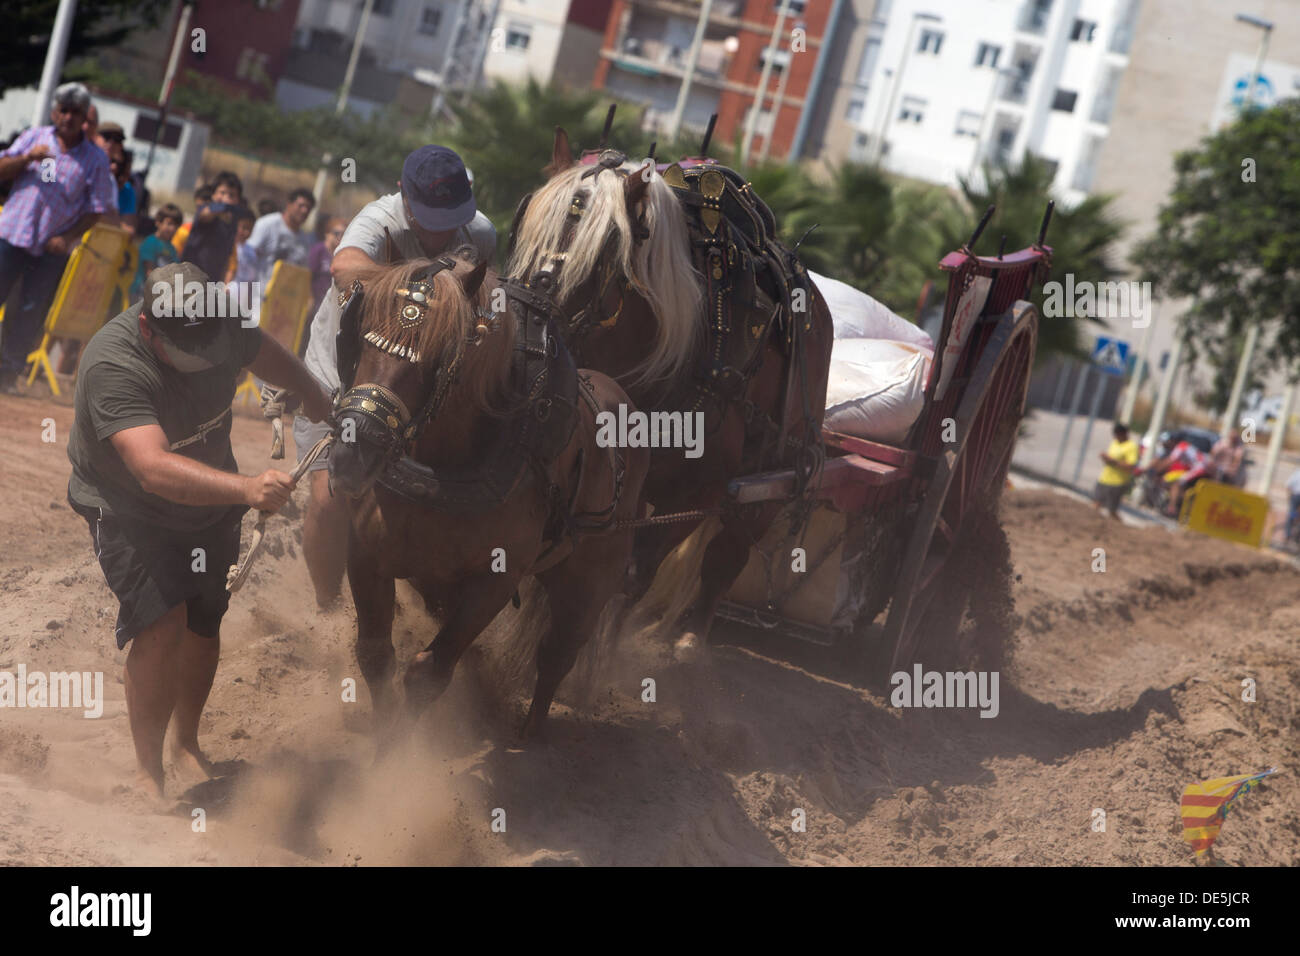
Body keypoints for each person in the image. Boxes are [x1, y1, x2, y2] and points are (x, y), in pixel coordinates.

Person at [66, 261, 332, 801]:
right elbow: (152, 468)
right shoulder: (113, 362)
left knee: (204, 622)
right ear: (149, 328)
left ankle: (184, 743)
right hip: (130, 508)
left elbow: (262, 351)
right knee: (162, 623)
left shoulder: (221, 322)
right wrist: (246, 489)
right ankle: (147, 772)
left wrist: (309, 387)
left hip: (209, 503)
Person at [294, 145, 496, 607]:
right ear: (404, 197)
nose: (443, 228)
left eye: (452, 215)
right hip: (338, 382)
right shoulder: (377, 220)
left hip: (414, 395)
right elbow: (343, 268)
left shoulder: (481, 233)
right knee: (330, 503)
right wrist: (425, 283)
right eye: (430, 216)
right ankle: (325, 610)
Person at [0, 82, 116, 394]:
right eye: (63, 110)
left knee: (29, 311)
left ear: (84, 119)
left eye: (75, 112)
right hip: (11, 235)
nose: (67, 117)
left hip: (52, 249)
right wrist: (26, 159)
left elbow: (97, 209)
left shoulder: (95, 159)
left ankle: (7, 375)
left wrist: (68, 237)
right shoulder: (34, 137)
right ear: (55, 112)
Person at [180, 171, 244, 284]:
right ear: (213, 195)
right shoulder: (207, 209)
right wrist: (223, 206)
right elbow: (205, 215)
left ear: (237, 200)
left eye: (231, 195)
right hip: (188, 278)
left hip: (211, 282)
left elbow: (226, 257)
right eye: (222, 193)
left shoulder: (233, 223)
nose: (226, 197)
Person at [246, 187, 315, 286]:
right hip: (257, 294)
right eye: (301, 205)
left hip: (283, 297)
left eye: (308, 208)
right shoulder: (267, 224)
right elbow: (248, 256)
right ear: (289, 204)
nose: (304, 211)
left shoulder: (305, 241)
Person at [129, 204, 182, 301]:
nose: (172, 229)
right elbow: (150, 273)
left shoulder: (172, 249)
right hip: (142, 293)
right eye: (169, 224)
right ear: (158, 223)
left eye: (176, 226)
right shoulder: (151, 242)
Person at [1148, 437, 1210, 518]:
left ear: (1173, 441)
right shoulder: (1186, 447)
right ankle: (1180, 504)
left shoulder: (1181, 446)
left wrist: (1155, 471)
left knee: (1177, 483)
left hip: (1200, 469)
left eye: (1167, 441)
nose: (1165, 443)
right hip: (1200, 468)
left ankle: (1172, 509)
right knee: (1179, 484)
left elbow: (1169, 461)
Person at [1094, 422, 1138, 520]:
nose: (1116, 436)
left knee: (1111, 510)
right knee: (1096, 504)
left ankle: (1120, 526)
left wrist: (1113, 461)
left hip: (1118, 482)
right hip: (1104, 478)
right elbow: (1111, 459)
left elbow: (1131, 466)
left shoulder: (1131, 446)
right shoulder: (1115, 443)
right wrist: (1106, 459)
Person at [230, 205, 258, 284]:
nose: (246, 232)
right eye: (244, 228)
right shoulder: (228, 247)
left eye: (250, 229)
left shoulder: (251, 251)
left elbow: (252, 277)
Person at [1285, 466, 1300, 544]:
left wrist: (1289, 496)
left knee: (1291, 514)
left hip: (1295, 496)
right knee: (1294, 515)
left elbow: (1288, 485)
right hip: (1296, 496)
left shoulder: (1297, 473)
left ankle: (1287, 534)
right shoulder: (1297, 473)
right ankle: (1295, 536)